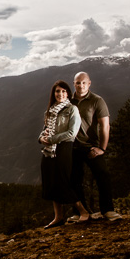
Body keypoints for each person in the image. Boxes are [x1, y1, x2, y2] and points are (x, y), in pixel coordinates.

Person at [39, 80, 93, 228]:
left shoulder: (72, 109)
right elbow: (44, 130)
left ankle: (83, 212)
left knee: (63, 181)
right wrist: (41, 138)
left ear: (68, 93)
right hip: (49, 150)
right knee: (50, 182)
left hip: (64, 148)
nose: (60, 94)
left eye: (63, 91)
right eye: (57, 91)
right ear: (53, 93)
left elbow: (71, 133)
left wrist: (50, 139)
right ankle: (58, 217)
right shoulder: (49, 111)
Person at [69, 72, 121, 222]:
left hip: (91, 147)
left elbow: (105, 126)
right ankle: (80, 213)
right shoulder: (68, 101)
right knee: (74, 180)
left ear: (89, 83)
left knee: (103, 175)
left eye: (83, 82)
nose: (81, 85)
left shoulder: (97, 100)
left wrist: (102, 148)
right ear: (74, 83)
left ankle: (108, 210)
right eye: (78, 82)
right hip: (72, 147)